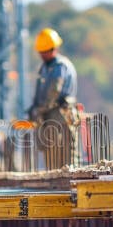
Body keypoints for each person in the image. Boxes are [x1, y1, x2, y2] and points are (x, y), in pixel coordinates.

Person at [28, 28, 79, 169]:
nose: (42, 55)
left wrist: (39, 109)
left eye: (45, 51)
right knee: (52, 163)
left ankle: (68, 189)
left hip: (61, 118)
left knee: (66, 163)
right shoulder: (44, 68)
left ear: (53, 49)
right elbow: (39, 92)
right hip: (48, 120)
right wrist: (33, 109)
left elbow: (54, 92)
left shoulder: (60, 67)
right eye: (41, 52)